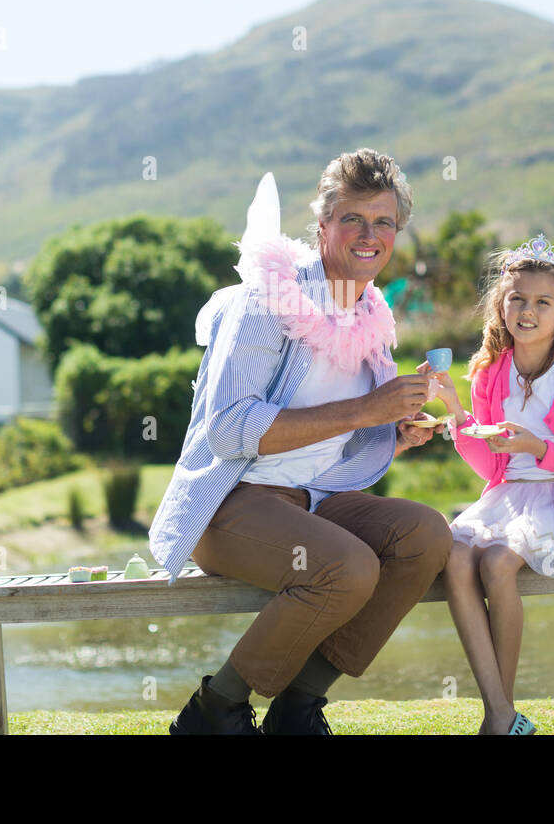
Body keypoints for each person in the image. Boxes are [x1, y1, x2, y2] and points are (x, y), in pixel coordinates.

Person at [149, 149, 455, 735]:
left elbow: (345, 429)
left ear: (397, 233)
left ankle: (297, 706)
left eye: (384, 222)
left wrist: (392, 430)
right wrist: (367, 407)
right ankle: (215, 712)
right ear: (322, 226)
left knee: (425, 535)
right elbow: (230, 429)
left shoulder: (371, 314)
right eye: (353, 220)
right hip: (233, 502)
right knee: (348, 567)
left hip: (318, 499)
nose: (369, 235)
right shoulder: (268, 300)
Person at [422, 235, 554, 735]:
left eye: (542, 302)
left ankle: (498, 715)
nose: (527, 310)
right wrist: (454, 408)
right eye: (517, 299)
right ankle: (502, 713)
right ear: (502, 305)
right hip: (508, 497)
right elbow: (490, 465)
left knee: (495, 562)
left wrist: (538, 448)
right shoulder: (490, 374)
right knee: (453, 556)